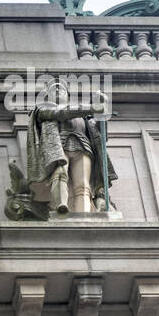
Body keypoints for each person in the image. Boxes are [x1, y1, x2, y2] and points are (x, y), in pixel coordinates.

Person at [25, 79, 116, 215]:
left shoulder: (85, 118)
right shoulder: (44, 108)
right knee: (60, 174)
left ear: (66, 94)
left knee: (83, 185)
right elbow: (60, 113)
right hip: (58, 147)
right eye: (53, 89)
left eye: (60, 88)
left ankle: (83, 214)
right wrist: (93, 107)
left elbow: (101, 134)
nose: (56, 90)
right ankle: (60, 205)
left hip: (84, 148)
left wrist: (102, 112)